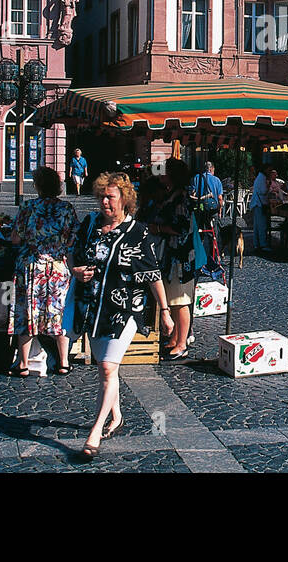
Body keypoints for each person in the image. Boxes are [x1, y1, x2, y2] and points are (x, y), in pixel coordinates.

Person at [71, 172, 173, 457]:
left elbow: (154, 274)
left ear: (124, 201)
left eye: (110, 197)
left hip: (125, 308)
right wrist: (75, 271)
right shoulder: (90, 225)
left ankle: (95, 432)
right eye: (102, 196)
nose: (104, 202)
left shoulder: (138, 232)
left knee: (107, 367)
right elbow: (74, 256)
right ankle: (116, 415)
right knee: (106, 368)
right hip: (93, 307)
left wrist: (165, 311)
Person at [9, 166, 78, 377]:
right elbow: (73, 239)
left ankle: (23, 363)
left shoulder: (28, 207)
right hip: (58, 266)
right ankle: (64, 362)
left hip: (32, 266)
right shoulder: (66, 209)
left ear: (37, 186)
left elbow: (15, 238)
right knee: (59, 314)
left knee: (27, 313)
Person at [154, 159, 196, 361]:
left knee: (181, 302)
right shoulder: (172, 194)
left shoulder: (181, 198)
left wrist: (159, 229)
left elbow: (180, 228)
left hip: (180, 256)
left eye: (163, 171)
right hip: (172, 255)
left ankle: (182, 344)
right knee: (173, 299)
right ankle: (174, 338)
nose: (160, 174)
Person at [250, 165, 271, 251]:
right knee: (262, 225)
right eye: (269, 170)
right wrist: (268, 186)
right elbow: (263, 191)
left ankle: (256, 244)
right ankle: (263, 244)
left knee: (257, 226)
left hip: (256, 203)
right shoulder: (262, 178)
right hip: (259, 204)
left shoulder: (259, 177)